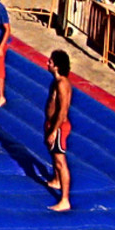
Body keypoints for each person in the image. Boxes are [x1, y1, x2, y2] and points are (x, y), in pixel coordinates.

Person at [44, 50, 73, 212]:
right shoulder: (56, 82)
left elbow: (62, 111)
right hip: (52, 124)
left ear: (57, 66)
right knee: (54, 157)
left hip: (59, 126)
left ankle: (65, 200)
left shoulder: (62, 84)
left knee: (61, 162)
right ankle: (56, 180)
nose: (47, 63)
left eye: (50, 62)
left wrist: (54, 130)